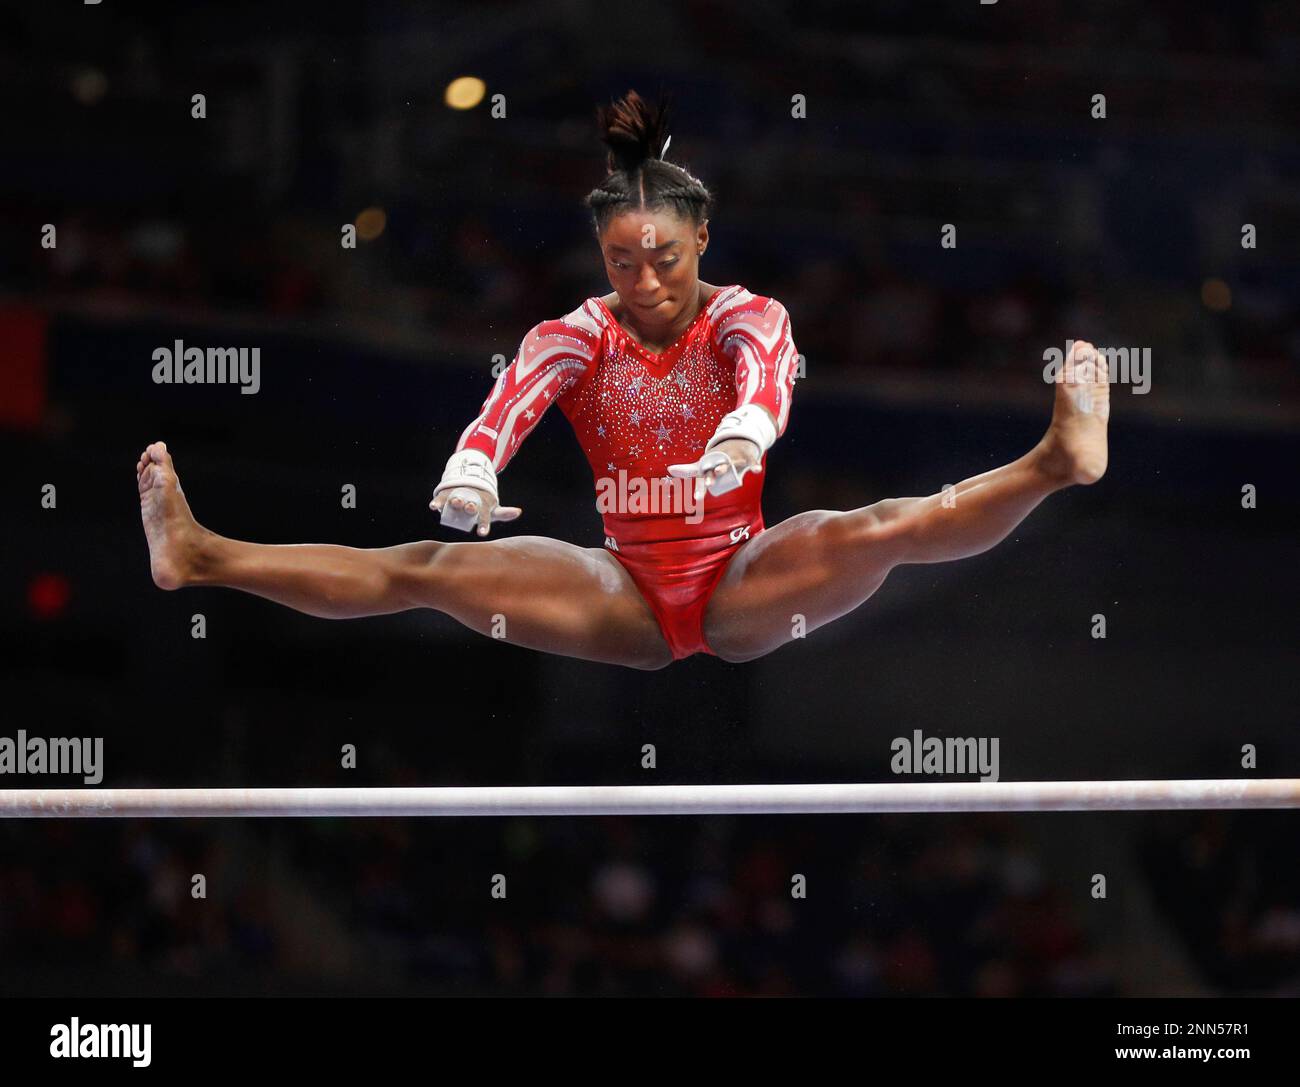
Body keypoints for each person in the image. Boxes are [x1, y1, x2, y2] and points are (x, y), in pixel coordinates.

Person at [136, 90, 1109, 671]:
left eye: (662, 260)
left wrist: (738, 441)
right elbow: (507, 403)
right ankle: (203, 554)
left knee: (878, 528)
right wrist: (473, 472)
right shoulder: (575, 333)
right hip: (620, 594)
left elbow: (765, 383)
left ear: (701, 244)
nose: (640, 283)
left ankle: (1053, 462)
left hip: (739, 578)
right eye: (619, 261)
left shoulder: (745, 314)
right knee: (418, 569)